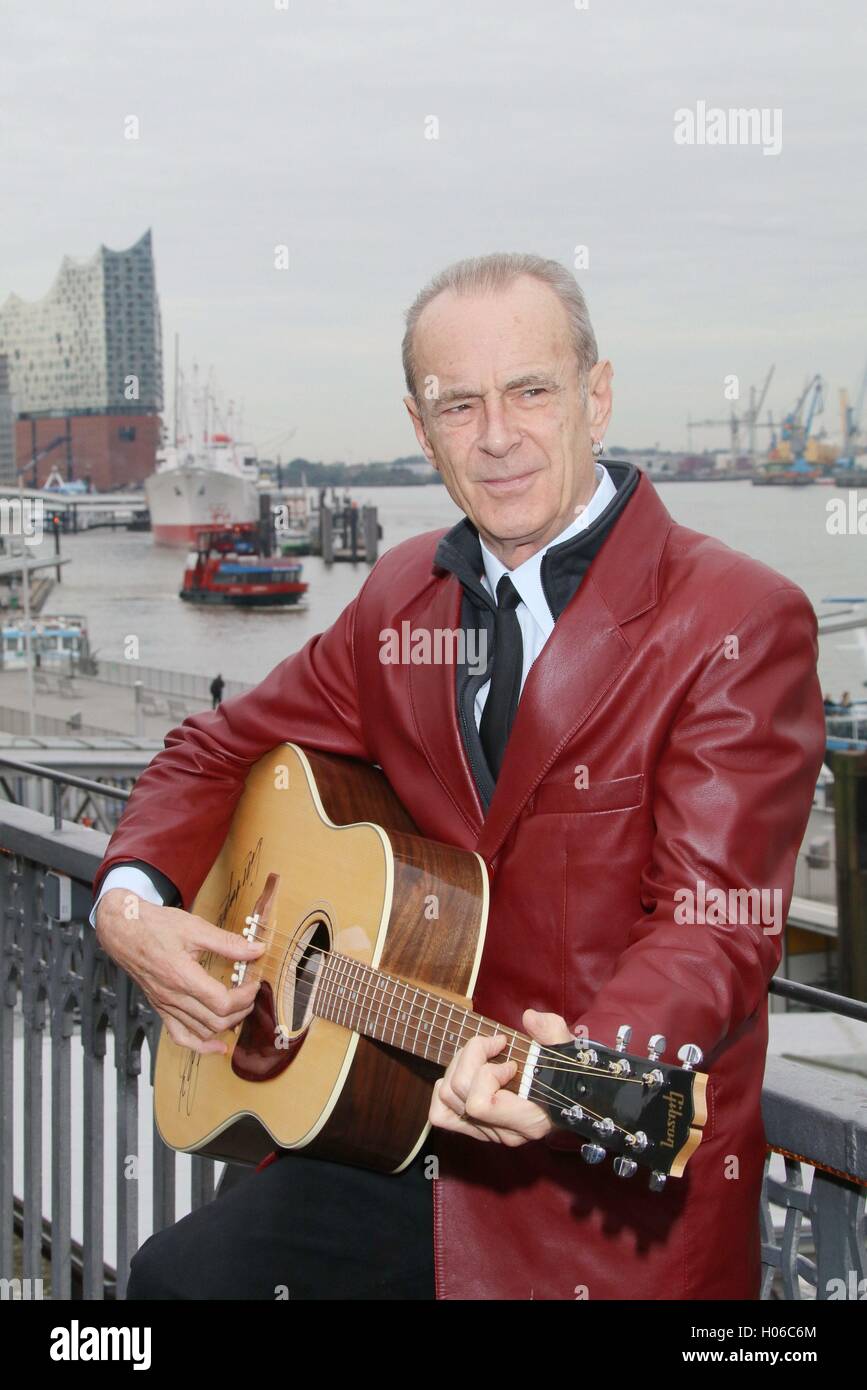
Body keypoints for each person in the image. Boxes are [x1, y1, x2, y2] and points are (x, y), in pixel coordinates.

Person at [91, 253, 824, 1301]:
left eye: (531, 390)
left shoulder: (735, 620)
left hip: (600, 1182)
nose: (496, 434)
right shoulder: (399, 601)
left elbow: (712, 923)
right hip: (401, 1132)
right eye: (457, 403)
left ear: (597, 396)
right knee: (174, 1284)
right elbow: (213, 749)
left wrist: (574, 1080)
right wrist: (130, 908)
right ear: (419, 424)